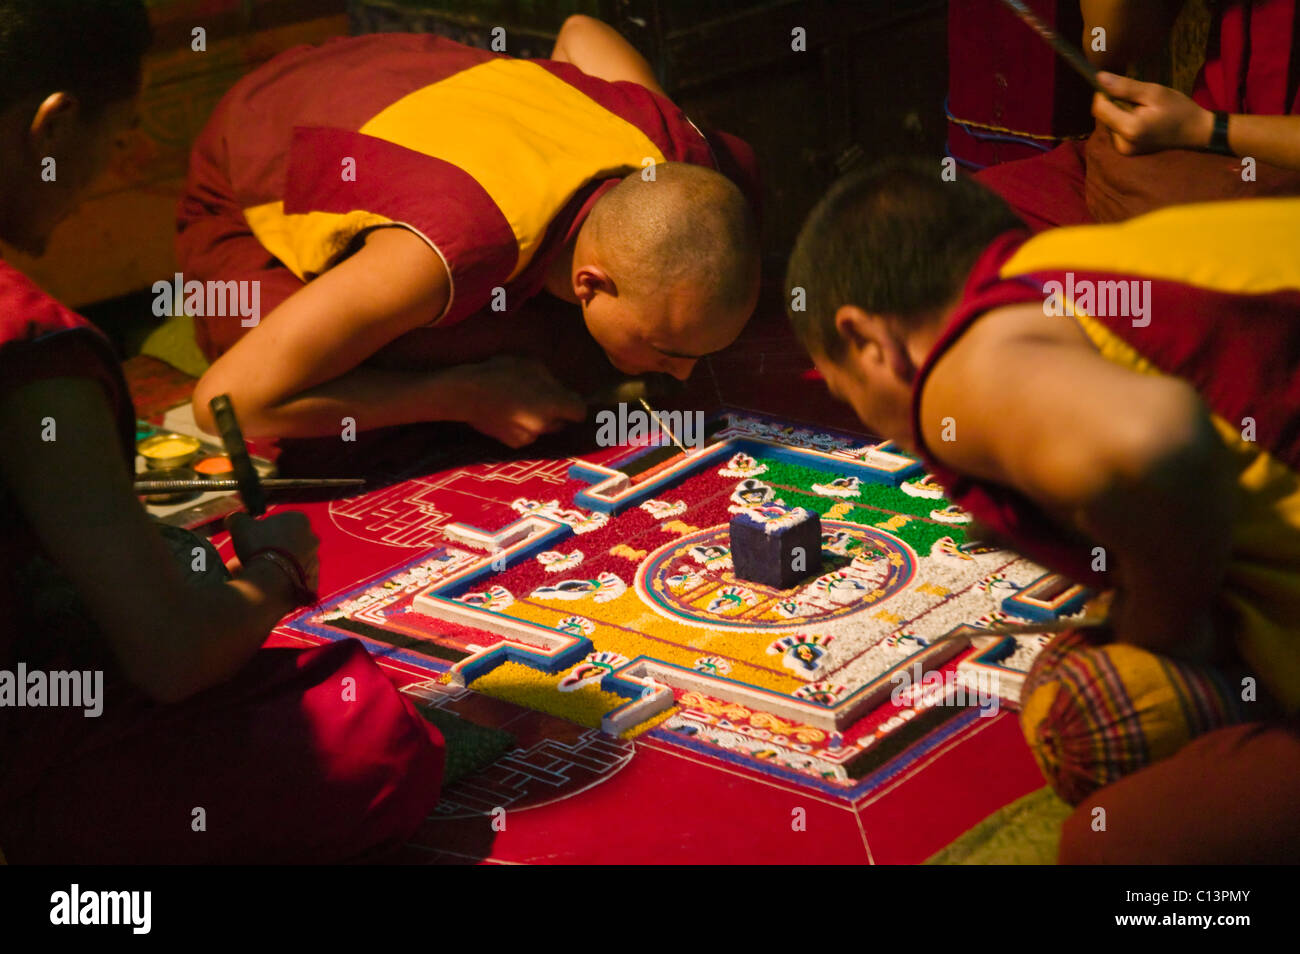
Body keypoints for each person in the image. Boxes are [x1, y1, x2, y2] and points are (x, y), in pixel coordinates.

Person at [0, 0, 444, 863]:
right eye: (118, 133)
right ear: (51, 124)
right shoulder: (30, 354)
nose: (116, 162)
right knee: (367, 734)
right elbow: (170, 656)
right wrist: (276, 574)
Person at [785, 159, 1300, 862]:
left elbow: (1154, 441)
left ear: (869, 341)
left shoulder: (962, 361)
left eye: (851, 398)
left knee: (1118, 848)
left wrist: (1165, 627)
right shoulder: (1079, 263)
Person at [178, 15, 762, 447]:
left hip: (403, 76)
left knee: (566, 351)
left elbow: (582, 31)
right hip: (261, 141)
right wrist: (460, 394)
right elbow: (224, 404)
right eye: (669, 350)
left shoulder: (679, 156)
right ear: (589, 283)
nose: (686, 374)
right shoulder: (446, 251)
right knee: (492, 355)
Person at [975, 0, 1300, 231]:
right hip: (1195, 158)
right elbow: (1108, 45)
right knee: (971, 221)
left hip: (1258, 180)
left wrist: (1205, 128)